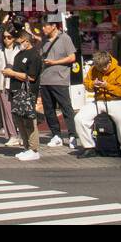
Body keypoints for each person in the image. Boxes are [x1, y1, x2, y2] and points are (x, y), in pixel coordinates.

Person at [75, 50, 121, 160]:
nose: (101, 70)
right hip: (98, 100)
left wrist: (107, 86)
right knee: (79, 118)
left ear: (109, 63)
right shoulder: (93, 69)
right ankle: (89, 147)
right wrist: (93, 84)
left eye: (103, 67)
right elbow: (87, 84)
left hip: (116, 100)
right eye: (99, 67)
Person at [2, 25, 43, 162]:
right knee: (19, 119)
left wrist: (12, 73)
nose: (19, 45)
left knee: (29, 120)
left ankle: (34, 148)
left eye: (20, 42)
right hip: (16, 90)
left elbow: (31, 76)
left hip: (28, 91)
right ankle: (26, 147)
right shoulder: (19, 54)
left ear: (26, 40)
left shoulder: (34, 54)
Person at [39, 15, 78, 149]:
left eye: (45, 25)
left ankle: (73, 135)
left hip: (60, 79)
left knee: (66, 108)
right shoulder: (43, 40)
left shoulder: (65, 38)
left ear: (54, 25)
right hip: (44, 79)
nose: (43, 28)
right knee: (49, 110)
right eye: (42, 26)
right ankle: (56, 135)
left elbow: (72, 57)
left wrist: (55, 62)